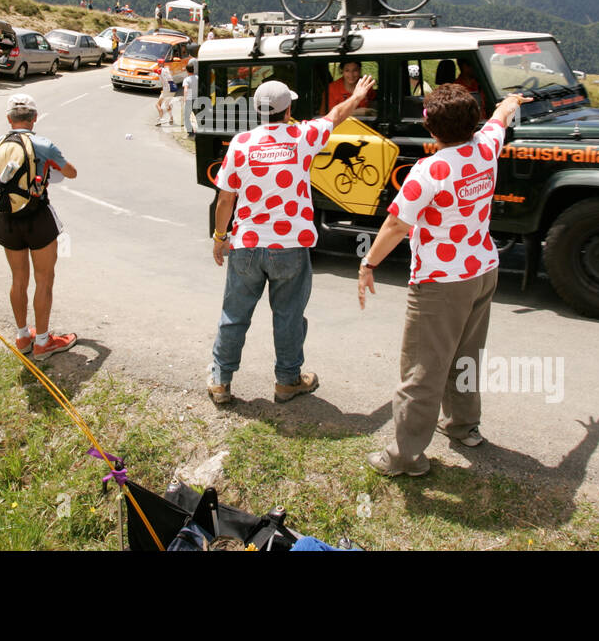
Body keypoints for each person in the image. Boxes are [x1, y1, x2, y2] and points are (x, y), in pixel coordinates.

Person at [358, 84, 527, 476]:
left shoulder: (430, 170)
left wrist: (368, 263)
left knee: (421, 370)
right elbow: (501, 119)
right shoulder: (486, 147)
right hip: (483, 269)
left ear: (430, 126)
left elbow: (398, 223)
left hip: (440, 281)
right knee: (465, 356)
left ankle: (404, 456)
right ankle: (463, 427)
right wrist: (512, 101)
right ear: (473, 122)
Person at [207, 74, 375, 405]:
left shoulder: (241, 144)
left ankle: (220, 382)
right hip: (290, 247)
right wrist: (356, 96)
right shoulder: (301, 137)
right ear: (287, 111)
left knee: (234, 315)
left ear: (258, 110)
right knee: (288, 316)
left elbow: (226, 199)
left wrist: (219, 237)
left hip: (247, 245)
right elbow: (335, 115)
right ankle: (287, 381)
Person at [0, 94, 79, 360]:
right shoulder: (42, 143)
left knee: (18, 279)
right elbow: (71, 172)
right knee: (44, 280)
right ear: (34, 118)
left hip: (7, 216)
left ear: (8, 119)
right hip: (37, 217)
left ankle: (23, 336)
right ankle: (44, 342)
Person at [181, 58, 198, 137]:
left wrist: (185, 99)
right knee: (198, 116)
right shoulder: (198, 78)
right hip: (198, 99)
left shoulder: (187, 79)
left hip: (190, 99)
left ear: (187, 71)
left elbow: (186, 90)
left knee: (186, 116)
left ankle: (190, 132)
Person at [155, 61, 175, 125]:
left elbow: (156, 70)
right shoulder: (167, 69)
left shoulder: (160, 69)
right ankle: (171, 118)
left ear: (160, 64)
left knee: (158, 105)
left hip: (167, 89)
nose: (157, 64)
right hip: (173, 88)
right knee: (167, 104)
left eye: (158, 62)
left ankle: (161, 119)